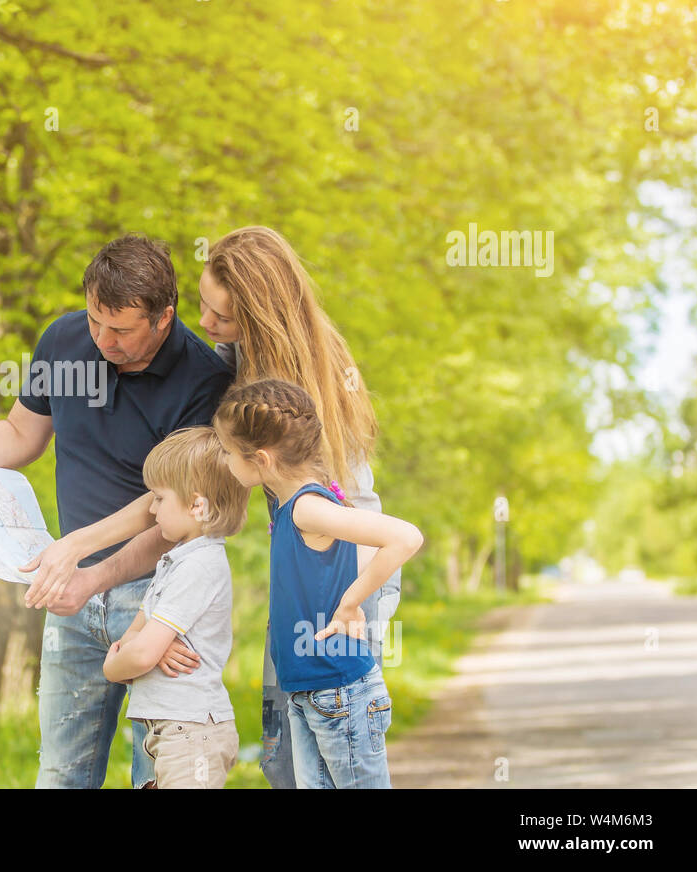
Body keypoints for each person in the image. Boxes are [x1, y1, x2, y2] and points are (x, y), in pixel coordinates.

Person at [23, 226, 400, 788]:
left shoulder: (300, 394)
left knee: (333, 754)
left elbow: (188, 496)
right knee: (282, 755)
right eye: (202, 304)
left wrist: (361, 611)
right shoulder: (230, 365)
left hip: (346, 582)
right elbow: (179, 488)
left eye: (221, 317)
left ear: (258, 318)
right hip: (299, 575)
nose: (205, 324)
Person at [0, 234, 233, 788]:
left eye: (121, 329)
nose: (102, 340)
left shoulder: (203, 380)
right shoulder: (63, 341)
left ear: (164, 317)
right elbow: (19, 436)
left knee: (152, 777)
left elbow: (169, 506)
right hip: (70, 594)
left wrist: (86, 563)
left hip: (160, 602)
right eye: (94, 321)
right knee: (61, 774)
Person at [212, 379, 422, 788]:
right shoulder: (295, 508)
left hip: (339, 692)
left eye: (227, 451)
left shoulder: (308, 507)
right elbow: (354, 557)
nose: (224, 461)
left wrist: (350, 604)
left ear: (261, 458)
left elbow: (405, 538)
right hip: (307, 693)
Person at [102, 427, 249, 788]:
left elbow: (134, 655)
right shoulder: (175, 561)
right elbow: (135, 636)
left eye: (158, 498)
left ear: (197, 505)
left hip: (191, 734)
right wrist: (142, 648)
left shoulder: (199, 566)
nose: (151, 510)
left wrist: (115, 662)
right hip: (170, 733)